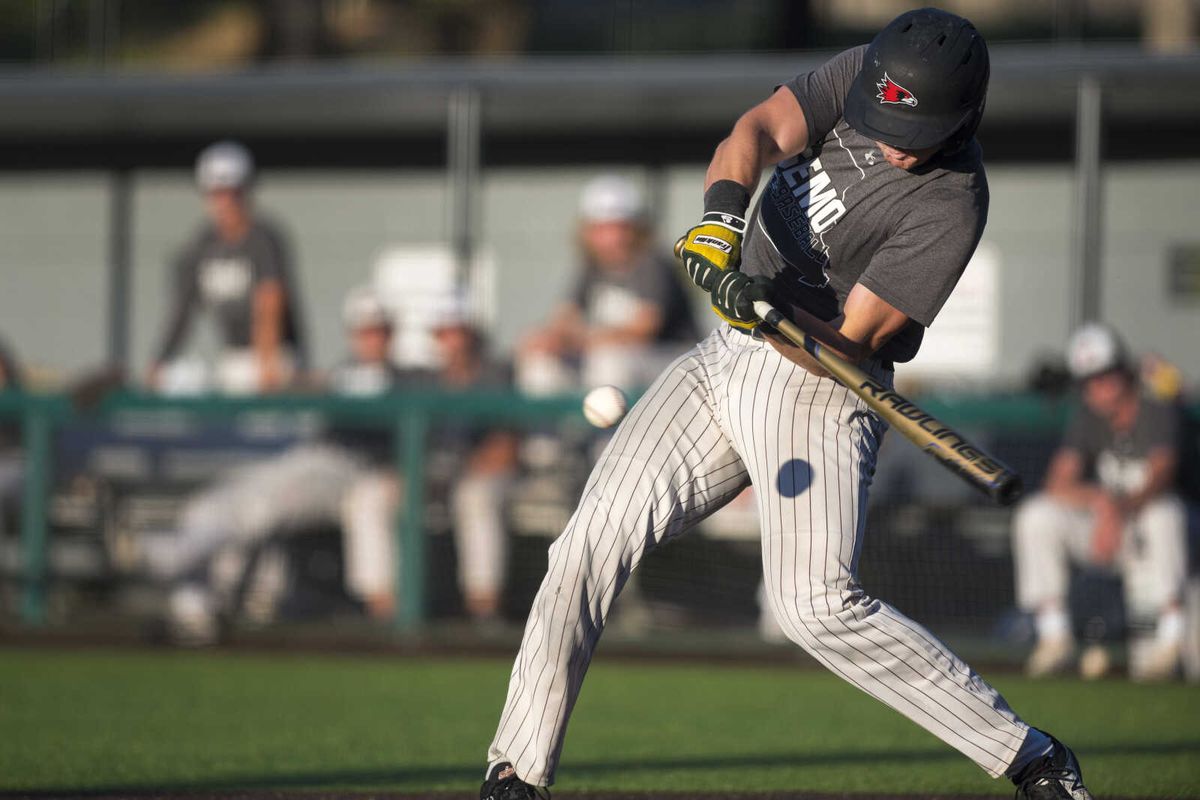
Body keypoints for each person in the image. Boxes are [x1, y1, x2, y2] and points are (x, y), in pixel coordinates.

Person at [480, 10, 1091, 800]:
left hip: (822, 384)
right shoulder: (868, 70)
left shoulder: (952, 203)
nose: (894, 139)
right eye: (888, 119)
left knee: (813, 608)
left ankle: (1032, 756)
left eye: (917, 128)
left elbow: (853, 336)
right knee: (584, 548)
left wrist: (766, 308)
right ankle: (516, 776)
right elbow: (758, 129)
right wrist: (721, 222)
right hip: (723, 357)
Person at [145, 287, 402, 641]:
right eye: (364, 330)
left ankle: (167, 557)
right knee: (214, 503)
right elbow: (299, 386)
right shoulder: (341, 371)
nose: (372, 338)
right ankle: (192, 608)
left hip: (352, 469)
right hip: (309, 457)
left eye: (379, 330)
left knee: (261, 508)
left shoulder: (406, 376)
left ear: (392, 333)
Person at [1013, 323, 1187, 681]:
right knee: (1037, 515)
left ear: (1124, 372)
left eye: (1106, 376)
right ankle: (1054, 636)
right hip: (1116, 531)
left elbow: (1160, 476)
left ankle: (1172, 638)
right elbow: (1057, 483)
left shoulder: (1154, 404)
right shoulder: (1088, 418)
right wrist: (1102, 502)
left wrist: (1115, 510)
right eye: (1089, 380)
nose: (1099, 388)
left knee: (1164, 514)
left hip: (1171, 540)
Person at [150, 140, 307, 395]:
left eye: (233, 193)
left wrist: (265, 363)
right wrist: (160, 361)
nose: (225, 202)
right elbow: (183, 308)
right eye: (216, 193)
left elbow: (270, 299)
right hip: (233, 358)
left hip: (274, 357)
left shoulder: (263, 238)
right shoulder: (203, 244)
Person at [519, 174, 698, 393]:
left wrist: (576, 342)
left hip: (672, 361)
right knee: (541, 363)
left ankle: (613, 429)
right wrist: (549, 339)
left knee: (609, 362)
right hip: (608, 355)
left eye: (619, 227)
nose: (611, 237)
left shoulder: (652, 263)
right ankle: (551, 428)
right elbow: (565, 316)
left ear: (636, 229)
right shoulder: (591, 267)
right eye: (601, 228)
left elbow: (642, 331)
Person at [418, 302, 520, 621]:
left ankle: (483, 611)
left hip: (486, 477)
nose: (453, 341)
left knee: (474, 497)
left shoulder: (497, 374)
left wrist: (466, 467)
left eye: (458, 332)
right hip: (434, 474)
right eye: (444, 333)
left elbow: (507, 446)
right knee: (377, 496)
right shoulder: (424, 380)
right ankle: (385, 615)